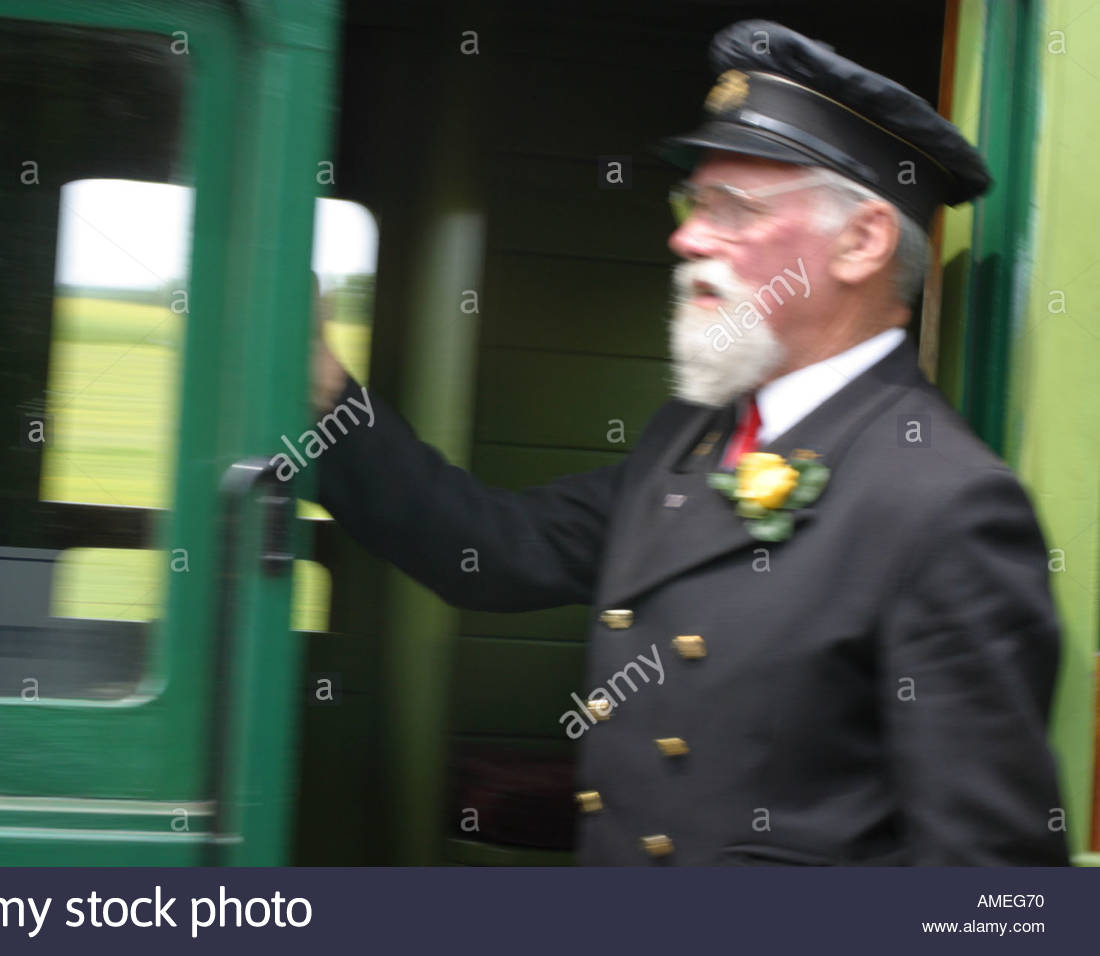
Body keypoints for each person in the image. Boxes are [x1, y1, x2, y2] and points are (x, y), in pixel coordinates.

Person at [309, 20, 1070, 866]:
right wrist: (329, 400)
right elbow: (495, 550)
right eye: (691, 203)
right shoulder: (691, 436)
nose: (686, 237)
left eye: (730, 210)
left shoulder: (948, 504)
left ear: (862, 241)